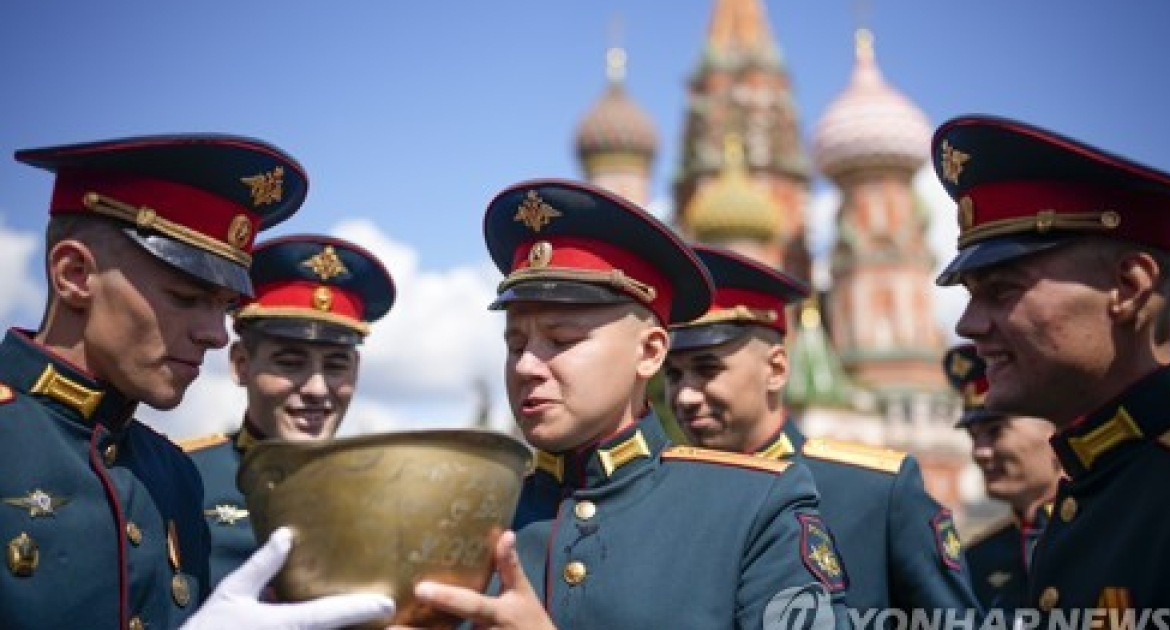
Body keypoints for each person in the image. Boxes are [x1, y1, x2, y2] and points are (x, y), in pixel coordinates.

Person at [408, 179, 850, 629]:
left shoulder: (755, 506)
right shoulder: (472, 518)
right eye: (516, 344)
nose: (526, 367)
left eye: (562, 340)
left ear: (650, 353)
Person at [0, 135, 395, 629]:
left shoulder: (170, 473)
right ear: (75, 273)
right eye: (185, 297)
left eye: (226, 307)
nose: (213, 334)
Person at [935, 114, 1170, 627]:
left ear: (1129, 287)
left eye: (1002, 290)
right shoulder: (1087, 495)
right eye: (968, 296)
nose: (968, 325)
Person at [663, 244, 981, 628]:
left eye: (707, 369)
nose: (685, 396)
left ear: (777, 370)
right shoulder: (664, 496)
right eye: (673, 375)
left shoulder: (875, 493)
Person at [181, 233, 396, 584]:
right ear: (240, 365)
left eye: (336, 366)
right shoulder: (184, 478)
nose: (316, 388)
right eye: (290, 362)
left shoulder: (388, 494)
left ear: (356, 371)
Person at [943, 343, 1060, 623]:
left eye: (996, 431)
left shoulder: (1113, 529)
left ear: (1055, 427)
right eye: (973, 436)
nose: (979, 452)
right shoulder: (977, 558)